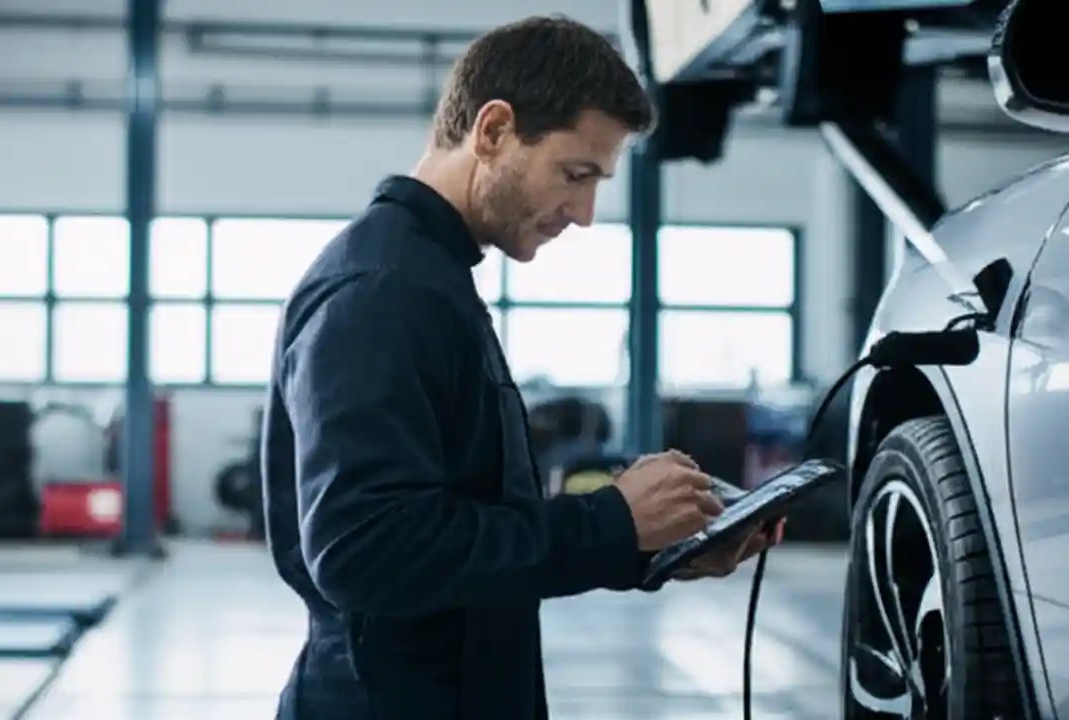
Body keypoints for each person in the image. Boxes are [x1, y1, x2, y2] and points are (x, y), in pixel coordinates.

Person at [260, 15, 776, 719]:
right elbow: (365, 550)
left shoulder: (430, 277)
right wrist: (607, 523)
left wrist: (646, 549)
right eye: (575, 174)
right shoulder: (385, 289)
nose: (586, 212)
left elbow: (463, 525)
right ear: (493, 130)